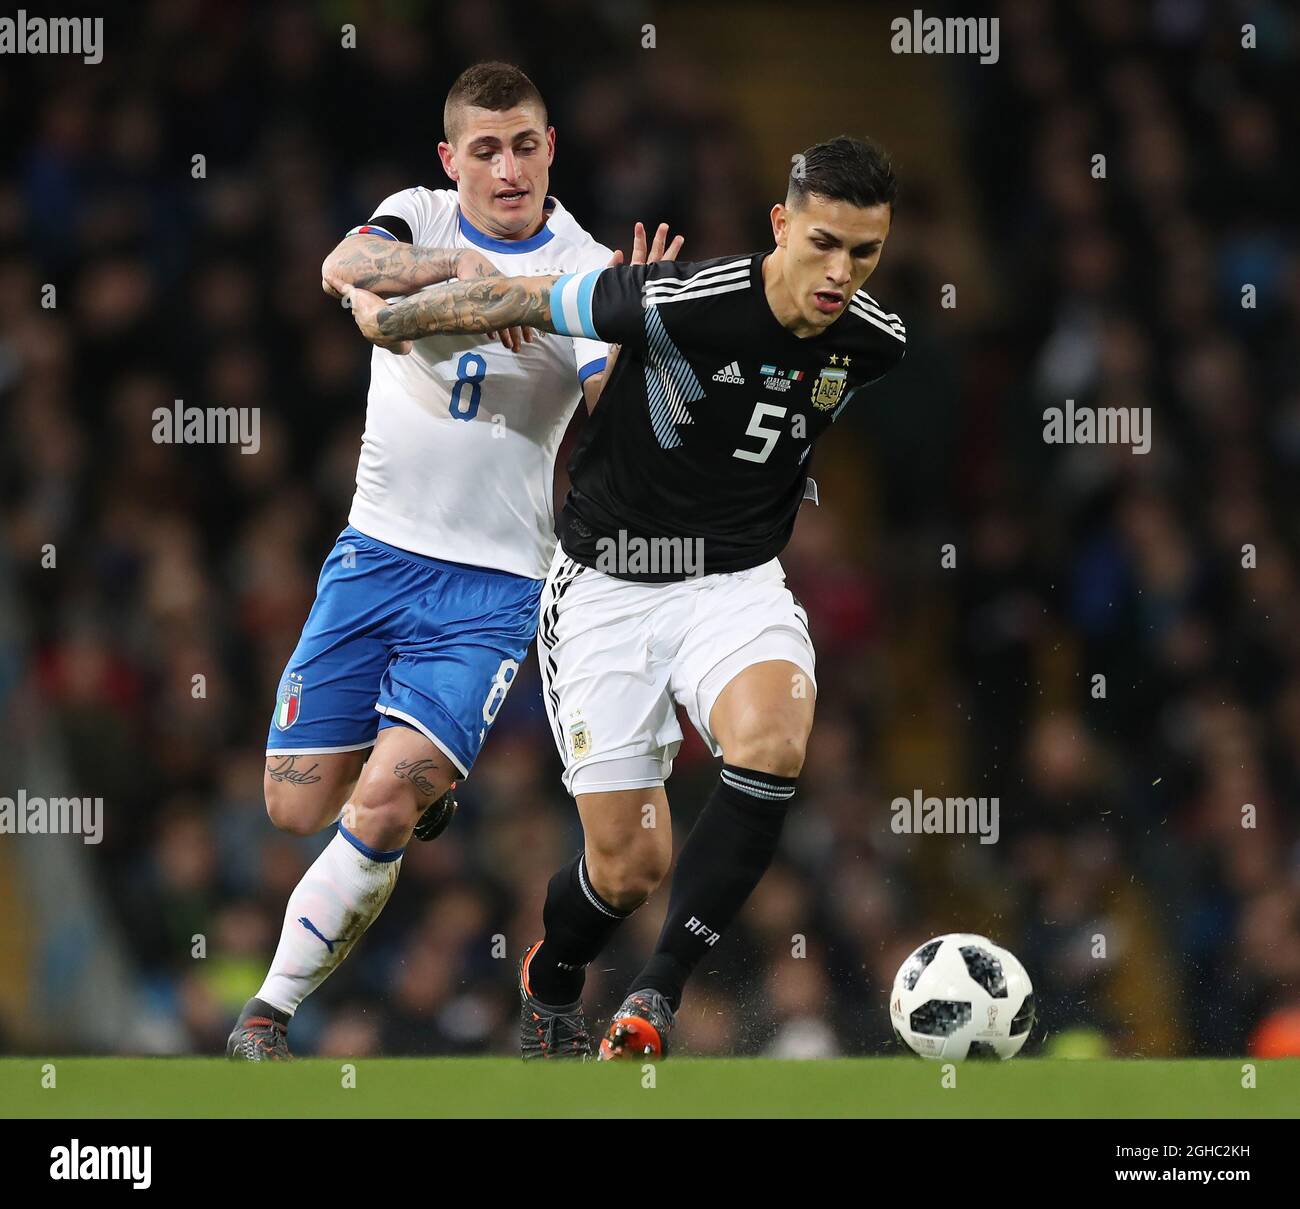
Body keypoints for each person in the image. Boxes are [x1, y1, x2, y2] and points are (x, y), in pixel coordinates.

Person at [335, 135, 906, 1059]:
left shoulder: (874, 342)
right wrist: (382, 318)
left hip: (735, 584)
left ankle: (655, 995)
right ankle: (554, 975)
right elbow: (516, 298)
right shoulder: (680, 303)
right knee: (630, 867)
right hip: (606, 590)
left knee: (773, 742)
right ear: (781, 225)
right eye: (824, 243)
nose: (841, 272)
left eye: (866, 251)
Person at [227, 61, 680, 1060]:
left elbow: (623, 417)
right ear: (451, 159)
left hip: (493, 587)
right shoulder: (416, 217)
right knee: (295, 805)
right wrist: (467, 281)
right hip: (372, 556)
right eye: (486, 149)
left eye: (525, 145)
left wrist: (637, 335)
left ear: (550, 146)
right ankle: (412, 792)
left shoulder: (586, 265)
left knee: (382, 800)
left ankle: (263, 1019)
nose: (508, 167)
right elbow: (344, 265)